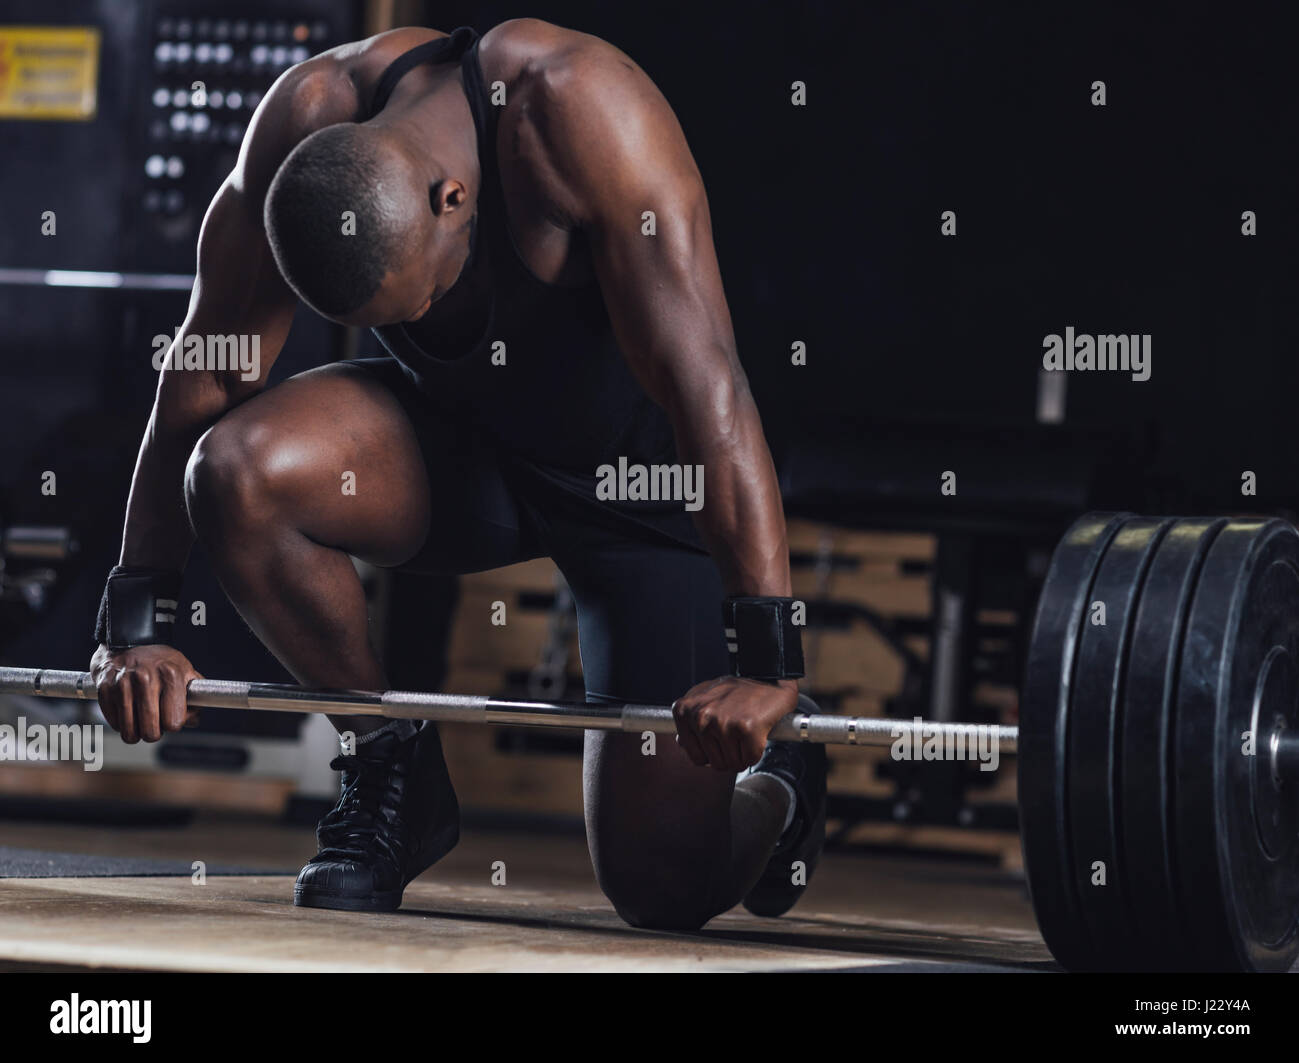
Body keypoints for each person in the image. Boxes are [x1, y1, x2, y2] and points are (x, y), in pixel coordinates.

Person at [90, 19, 825, 930]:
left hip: (642, 493)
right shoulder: (308, 117)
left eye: (427, 298)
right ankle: (389, 765)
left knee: (660, 888)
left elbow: (708, 387)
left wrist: (767, 656)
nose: (429, 315)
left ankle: (782, 783)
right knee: (236, 472)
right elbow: (204, 372)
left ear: (451, 197)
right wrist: (137, 618)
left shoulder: (582, 112)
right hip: (462, 452)